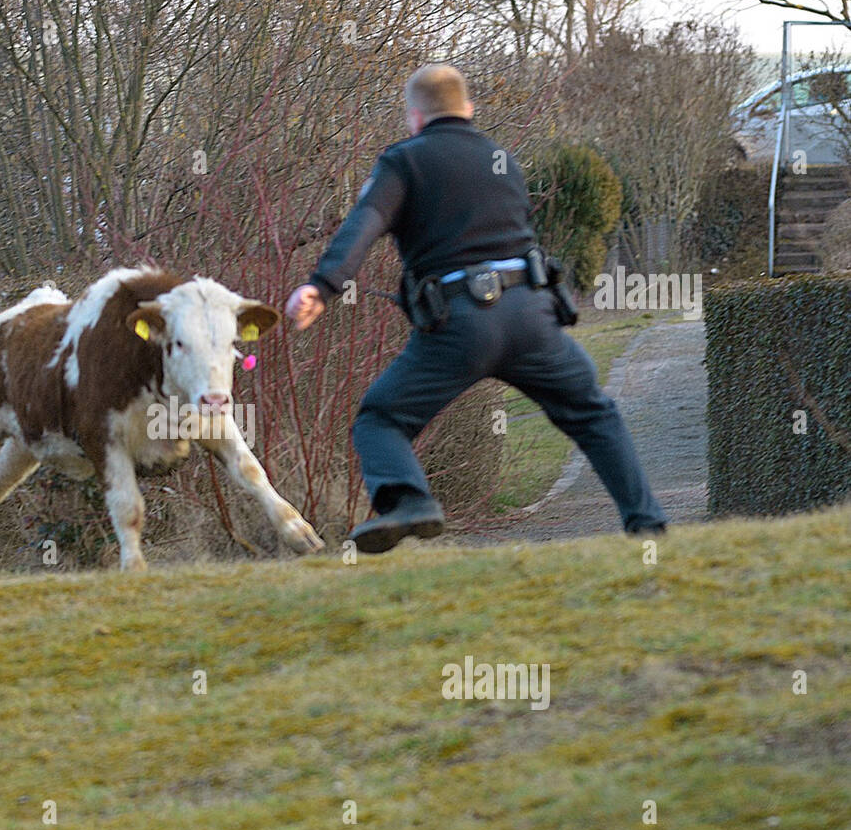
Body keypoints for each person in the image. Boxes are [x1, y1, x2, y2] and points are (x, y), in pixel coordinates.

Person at [284, 64, 667, 553]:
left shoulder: (403, 162)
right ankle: (647, 522)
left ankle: (409, 503)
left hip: (460, 322)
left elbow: (366, 222)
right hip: (531, 316)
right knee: (594, 415)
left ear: (414, 117)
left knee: (381, 418)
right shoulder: (501, 158)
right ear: (468, 109)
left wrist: (323, 284)